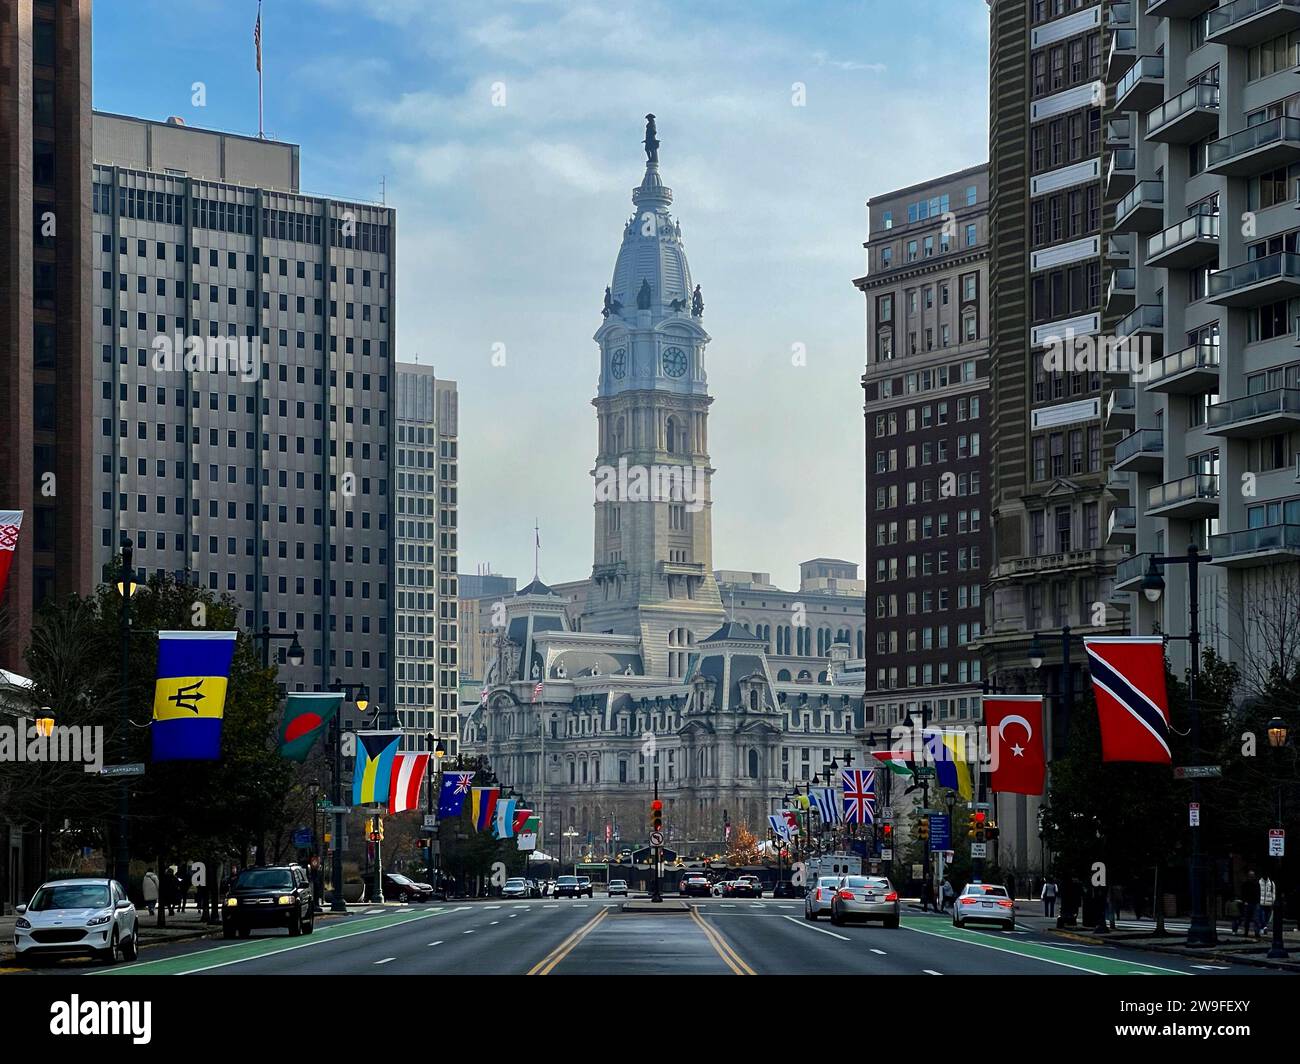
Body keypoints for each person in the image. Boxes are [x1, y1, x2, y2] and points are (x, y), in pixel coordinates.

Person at [1241, 870, 1260, 938]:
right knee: (1247, 919)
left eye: (1252, 876)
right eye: (1250, 876)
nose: (1251, 877)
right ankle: (1246, 932)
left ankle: (1257, 933)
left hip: (1255, 903)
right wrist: (1244, 901)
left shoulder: (1256, 884)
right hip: (1248, 903)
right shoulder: (1245, 884)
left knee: (1256, 919)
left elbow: (1258, 893)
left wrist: (1258, 901)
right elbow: (1243, 893)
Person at [1258, 873, 1276, 939]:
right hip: (1261, 902)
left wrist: (1273, 901)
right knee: (1262, 915)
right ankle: (1264, 927)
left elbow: (1273, 893)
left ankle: (1263, 927)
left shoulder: (1271, 883)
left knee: (1267, 917)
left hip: (1269, 903)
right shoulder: (1259, 882)